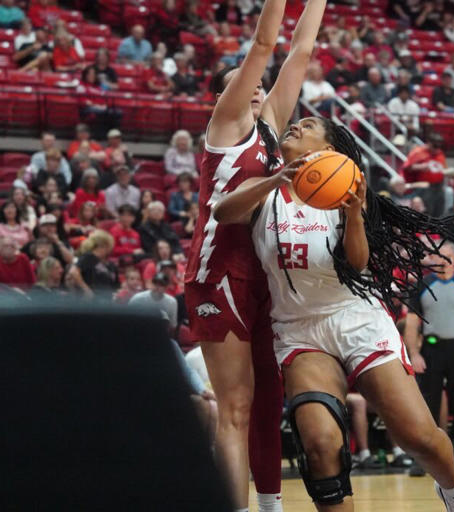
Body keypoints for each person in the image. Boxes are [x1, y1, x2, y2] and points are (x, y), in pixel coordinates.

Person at [213, 119, 454, 511]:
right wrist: (276, 179)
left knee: (418, 436)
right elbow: (222, 211)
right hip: (300, 330)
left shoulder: (348, 186)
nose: (297, 125)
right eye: (297, 122)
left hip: (357, 319)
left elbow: (358, 264)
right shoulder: (265, 190)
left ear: (331, 148)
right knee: (319, 444)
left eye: (309, 124)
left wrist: (354, 214)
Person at [183, 1, 327, 509]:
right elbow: (266, 46)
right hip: (217, 270)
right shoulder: (225, 124)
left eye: (259, 85)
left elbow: (301, 52)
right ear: (224, 94)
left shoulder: (269, 128)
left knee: (269, 402)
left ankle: (271, 506)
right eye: (245, 81)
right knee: (236, 407)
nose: (258, 87)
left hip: (262, 272)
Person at [402, 242, 454, 475]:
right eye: (438, 256)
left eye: (446, 256)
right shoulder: (422, 285)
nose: (442, 260)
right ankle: (424, 457)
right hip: (431, 348)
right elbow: (411, 321)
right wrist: (414, 354)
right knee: (427, 405)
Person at [67, 229, 118, 300]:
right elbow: (73, 272)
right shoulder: (89, 257)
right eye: (106, 246)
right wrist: (86, 290)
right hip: (92, 303)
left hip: (105, 303)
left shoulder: (110, 265)